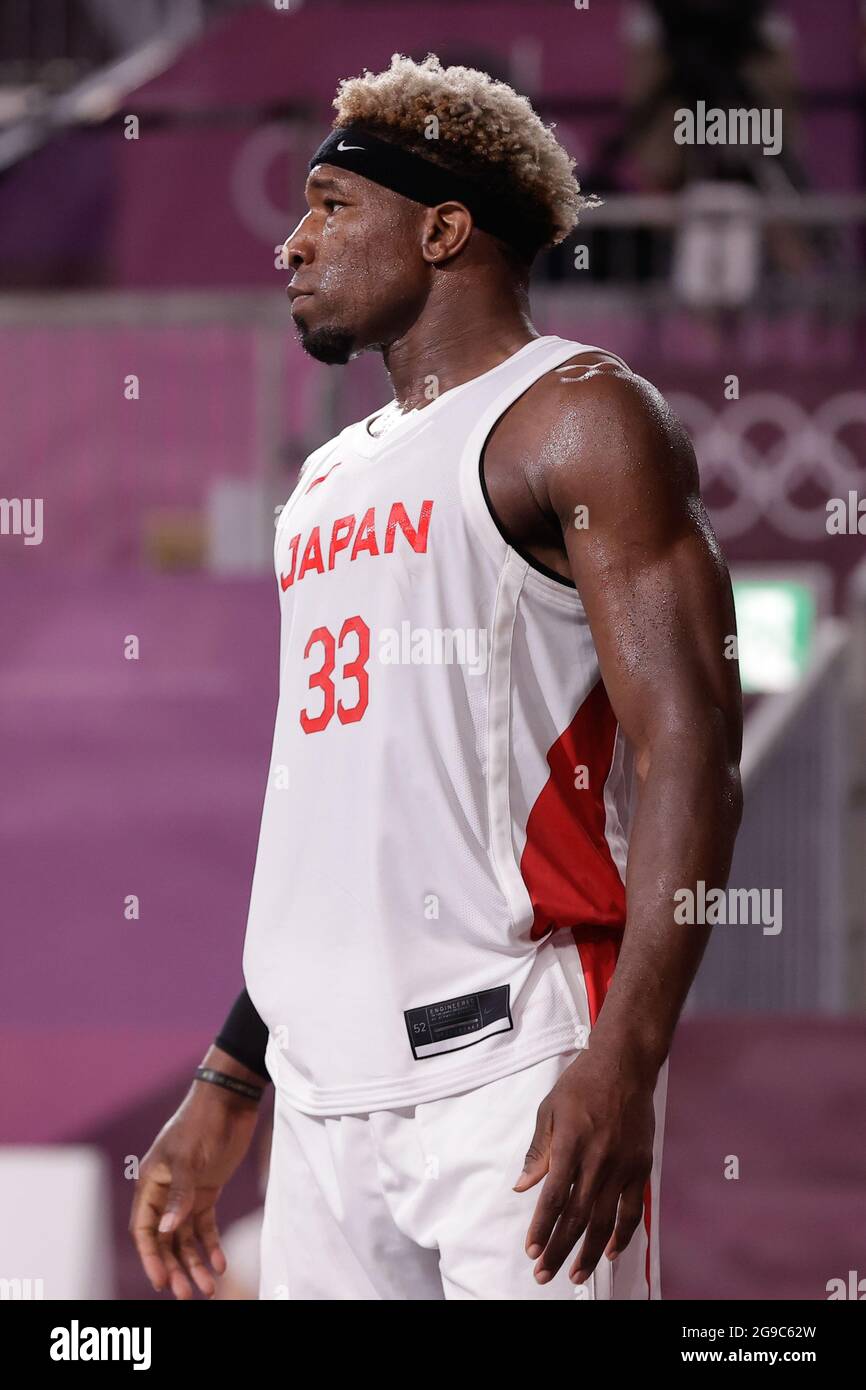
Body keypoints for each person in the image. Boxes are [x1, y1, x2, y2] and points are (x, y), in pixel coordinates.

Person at [130, 53, 742, 1301]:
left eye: (330, 206)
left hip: (510, 1065)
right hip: (318, 1093)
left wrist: (623, 1059)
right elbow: (338, 813)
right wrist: (230, 1075)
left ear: (444, 229)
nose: (292, 242)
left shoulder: (575, 416)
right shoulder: (325, 479)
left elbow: (694, 757)